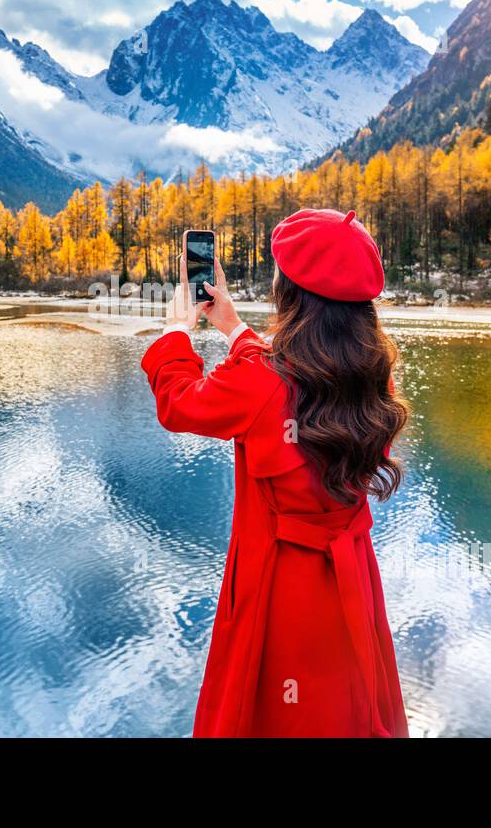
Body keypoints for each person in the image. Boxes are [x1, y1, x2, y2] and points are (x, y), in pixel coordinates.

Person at [140, 209, 410, 737]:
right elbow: (288, 380)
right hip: (350, 576)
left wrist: (177, 330)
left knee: (274, 711)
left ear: (289, 293)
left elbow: (180, 403)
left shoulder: (263, 381)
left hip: (283, 582)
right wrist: (232, 327)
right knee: (344, 702)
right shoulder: (370, 375)